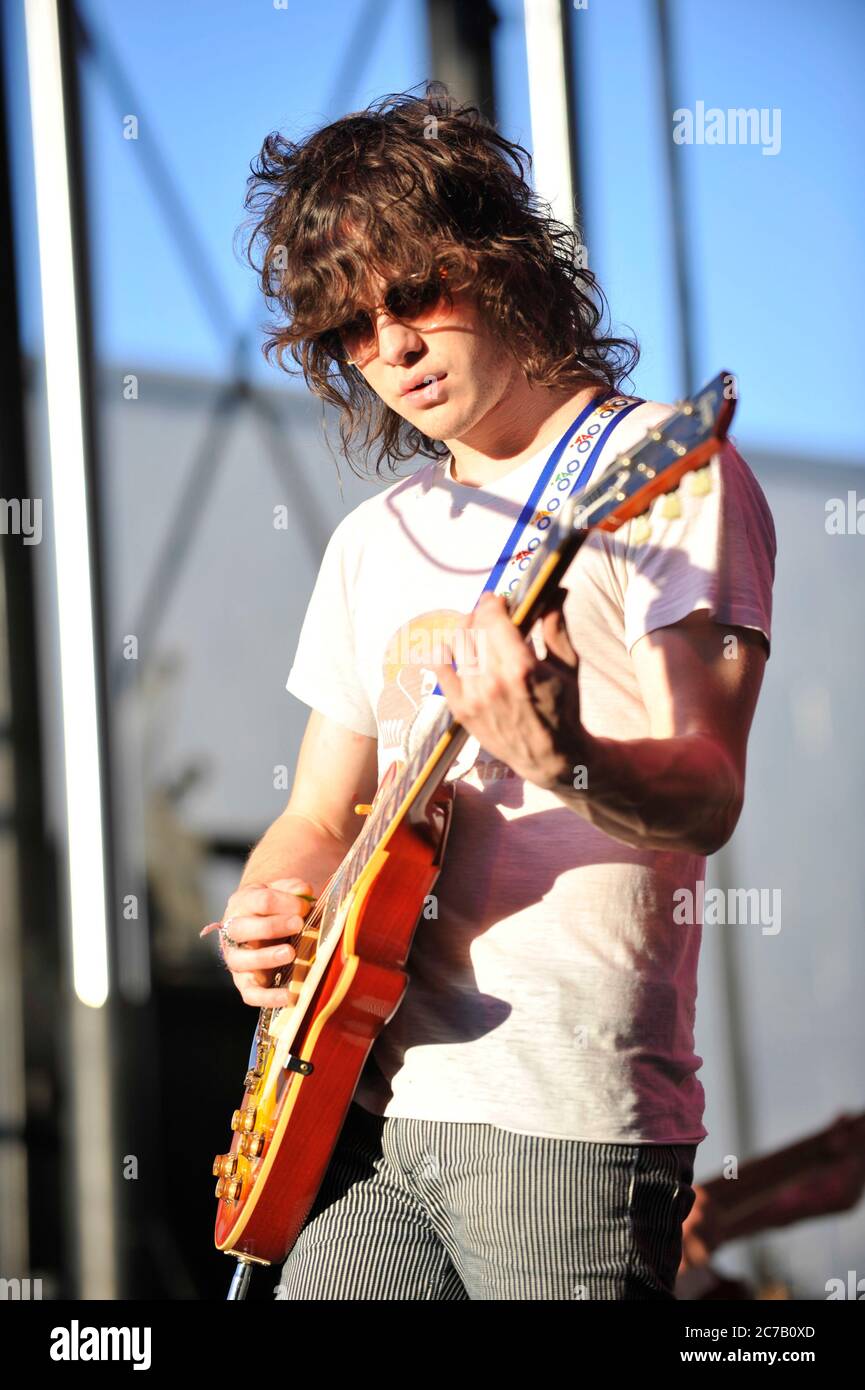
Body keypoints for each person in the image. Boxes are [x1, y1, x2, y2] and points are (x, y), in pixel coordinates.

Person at [210, 85, 776, 1300]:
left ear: (503, 261)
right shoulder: (375, 538)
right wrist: (268, 907)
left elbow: (709, 793)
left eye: (412, 294)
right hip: (378, 1106)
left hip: (566, 1116)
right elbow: (320, 813)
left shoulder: (668, 480)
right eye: (349, 330)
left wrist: (564, 755)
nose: (391, 348)